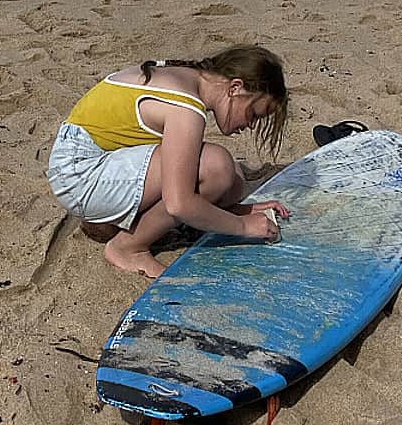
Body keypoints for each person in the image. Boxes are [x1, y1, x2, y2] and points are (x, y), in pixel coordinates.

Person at [46, 44, 289, 279]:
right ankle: (128, 246)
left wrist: (240, 210)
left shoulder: (182, 76)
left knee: (232, 180)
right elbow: (178, 203)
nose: (250, 124)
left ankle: (125, 221)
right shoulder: (185, 107)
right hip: (79, 175)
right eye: (254, 114)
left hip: (84, 162)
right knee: (216, 167)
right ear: (235, 88)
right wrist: (243, 226)